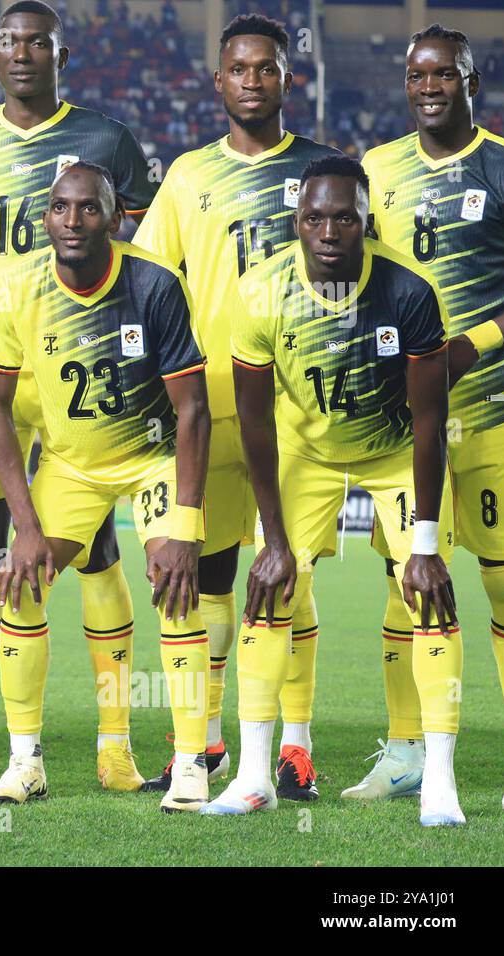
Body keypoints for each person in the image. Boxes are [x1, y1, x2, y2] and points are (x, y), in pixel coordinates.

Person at [0, 0, 157, 785]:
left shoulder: (108, 140)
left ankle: (115, 744)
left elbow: (141, 260)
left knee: (96, 552)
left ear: (61, 52)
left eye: (37, 42)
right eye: (9, 41)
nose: (22, 53)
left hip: (80, 375)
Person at [214, 156, 461, 826]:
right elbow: (256, 422)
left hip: (395, 452)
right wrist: (272, 539)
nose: (328, 230)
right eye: (314, 217)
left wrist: (428, 543)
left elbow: (433, 421)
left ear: (365, 221)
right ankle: (253, 775)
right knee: (269, 586)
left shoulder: (408, 291)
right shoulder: (261, 292)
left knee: (428, 589)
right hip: (308, 450)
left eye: (344, 217)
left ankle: (438, 779)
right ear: (296, 222)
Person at [134, 13, 340, 800]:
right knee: (202, 583)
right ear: (217, 80)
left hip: (295, 412)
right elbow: (148, 285)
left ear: (289, 78)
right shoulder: (187, 177)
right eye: (240, 68)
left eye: (267, 68)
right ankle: (206, 745)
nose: (253, 80)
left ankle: (294, 748)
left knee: (288, 580)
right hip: (207, 410)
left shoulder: (326, 169)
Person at [0, 163, 212, 811]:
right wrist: (24, 526)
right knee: (18, 588)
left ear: (116, 218)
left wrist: (185, 529)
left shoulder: (155, 284)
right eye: (59, 208)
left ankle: (191, 764)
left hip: (153, 458)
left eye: (87, 209)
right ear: (44, 217)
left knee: (177, 590)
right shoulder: (15, 287)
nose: (72, 221)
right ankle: (26, 764)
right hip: (71, 465)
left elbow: (193, 410)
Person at [355, 25, 504, 809]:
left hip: (492, 412)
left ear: (470, 79)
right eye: (416, 74)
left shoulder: (503, 163)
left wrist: (472, 346)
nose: (428, 86)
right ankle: (407, 753)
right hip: (405, 427)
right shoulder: (376, 170)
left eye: (444, 73)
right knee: (403, 585)